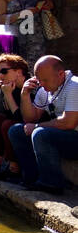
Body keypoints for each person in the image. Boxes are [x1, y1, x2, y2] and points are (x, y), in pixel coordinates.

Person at [7, 55, 78, 195]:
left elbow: (69, 123)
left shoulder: (74, 86)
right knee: (16, 131)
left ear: (61, 74)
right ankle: (31, 179)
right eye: (39, 80)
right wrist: (25, 95)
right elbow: (30, 119)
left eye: (45, 80)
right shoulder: (44, 89)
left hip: (75, 136)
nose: (42, 84)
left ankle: (52, 183)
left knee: (40, 134)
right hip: (63, 136)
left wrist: (38, 126)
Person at [0, 53, 30, 180]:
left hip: (32, 126)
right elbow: (6, 113)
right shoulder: (10, 87)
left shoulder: (30, 87)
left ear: (18, 72)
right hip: (20, 124)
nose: (0, 76)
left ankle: (14, 169)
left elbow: (21, 119)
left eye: (4, 71)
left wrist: (8, 95)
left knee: (8, 125)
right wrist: (5, 94)